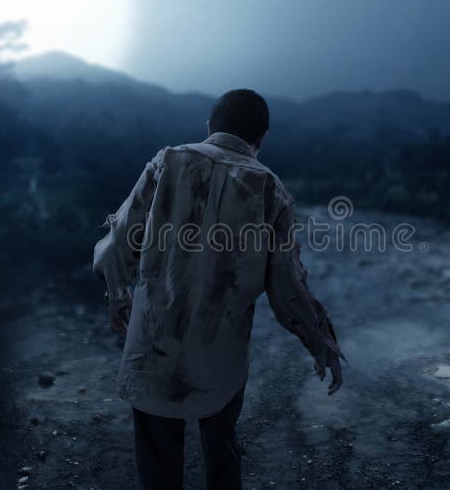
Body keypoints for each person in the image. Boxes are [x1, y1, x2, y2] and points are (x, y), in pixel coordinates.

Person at [93, 89, 344, 489]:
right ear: (261, 138)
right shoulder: (269, 188)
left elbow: (118, 242)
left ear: (209, 127)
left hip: (154, 341)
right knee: (222, 449)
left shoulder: (168, 162)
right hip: (221, 349)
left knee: (158, 462)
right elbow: (287, 285)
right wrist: (320, 342)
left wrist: (119, 296)